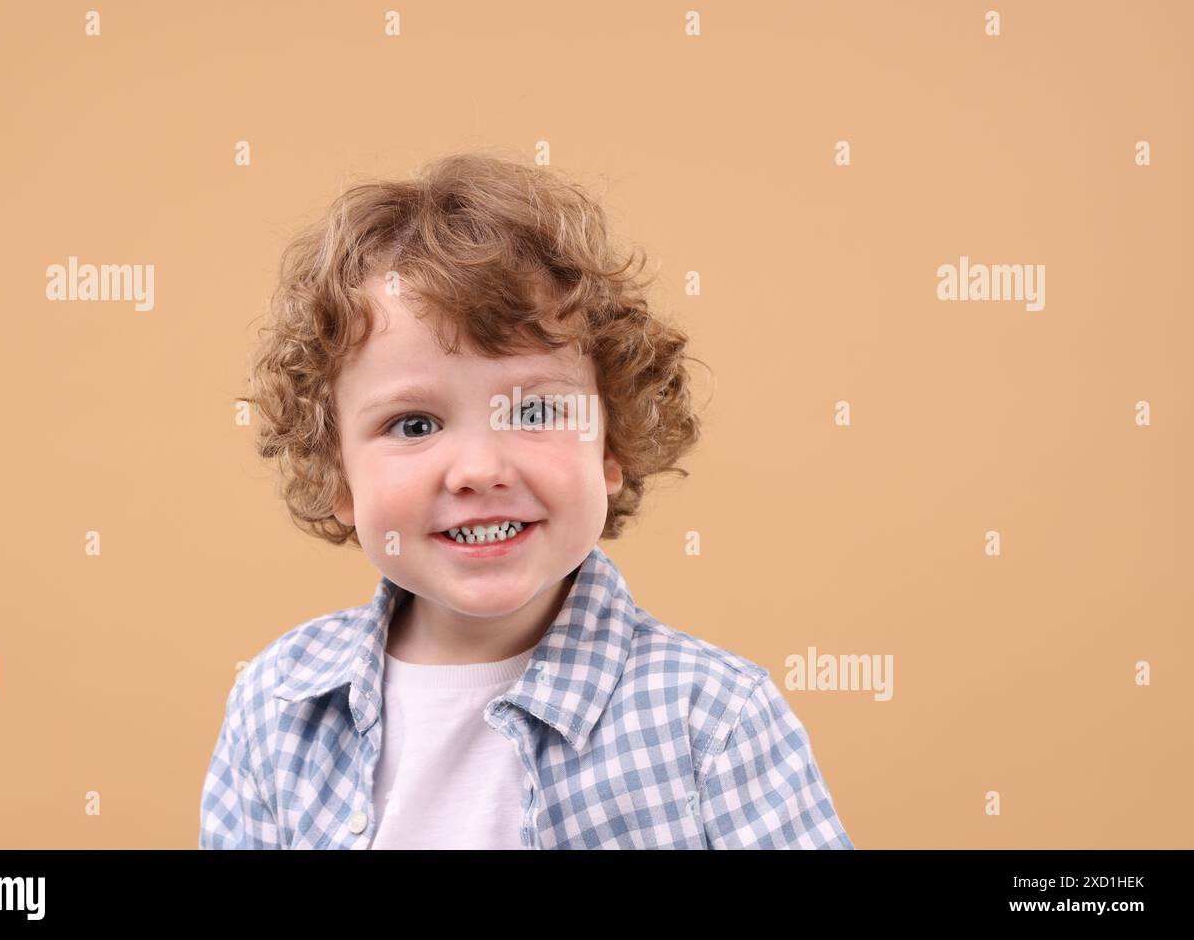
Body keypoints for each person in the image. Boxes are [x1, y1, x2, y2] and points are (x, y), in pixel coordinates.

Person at [199, 152, 854, 849]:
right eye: (414, 424)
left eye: (535, 413)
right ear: (338, 477)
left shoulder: (712, 721)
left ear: (611, 447)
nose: (479, 470)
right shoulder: (280, 706)